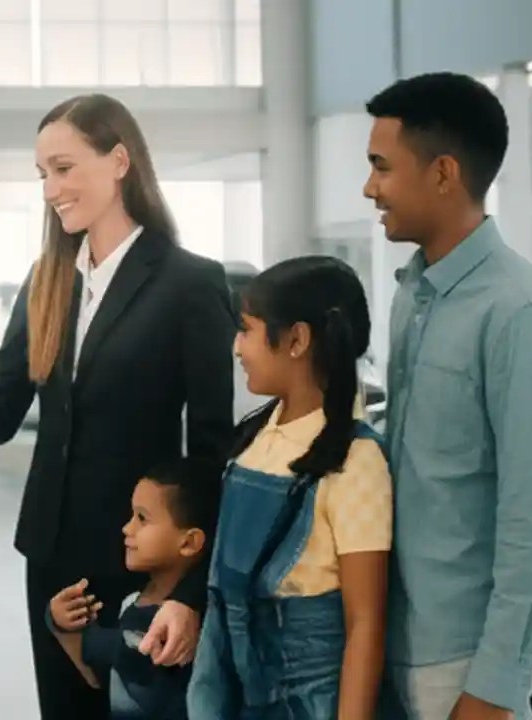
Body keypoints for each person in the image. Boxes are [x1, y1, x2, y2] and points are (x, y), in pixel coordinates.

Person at [0, 93, 238, 719]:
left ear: (119, 161)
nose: (50, 189)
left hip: (145, 558)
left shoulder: (188, 281)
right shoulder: (48, 280)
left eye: (63, 168)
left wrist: (191, 591)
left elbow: (212, 447)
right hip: (56, 554)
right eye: (42, 175)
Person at [363, 73, 532, 720]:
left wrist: (495, 687)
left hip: (461, 667)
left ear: (443, 173)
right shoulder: (413, 296)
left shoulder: (522, 314)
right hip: (394, 648)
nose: (370, 188)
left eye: (382, 167)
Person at [186, 256, 392, 719]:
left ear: (296, 340)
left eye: (247, 330)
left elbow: (366, 624)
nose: (237, 347)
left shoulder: (356, 461)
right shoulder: (255, 439)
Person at [48, 457, 219, 719]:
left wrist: (56, 620)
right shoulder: (133, 602)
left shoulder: (170, 627)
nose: (127, 528)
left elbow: (103, 653)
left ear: (189, 542)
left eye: (142, 518)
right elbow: (106, 677)